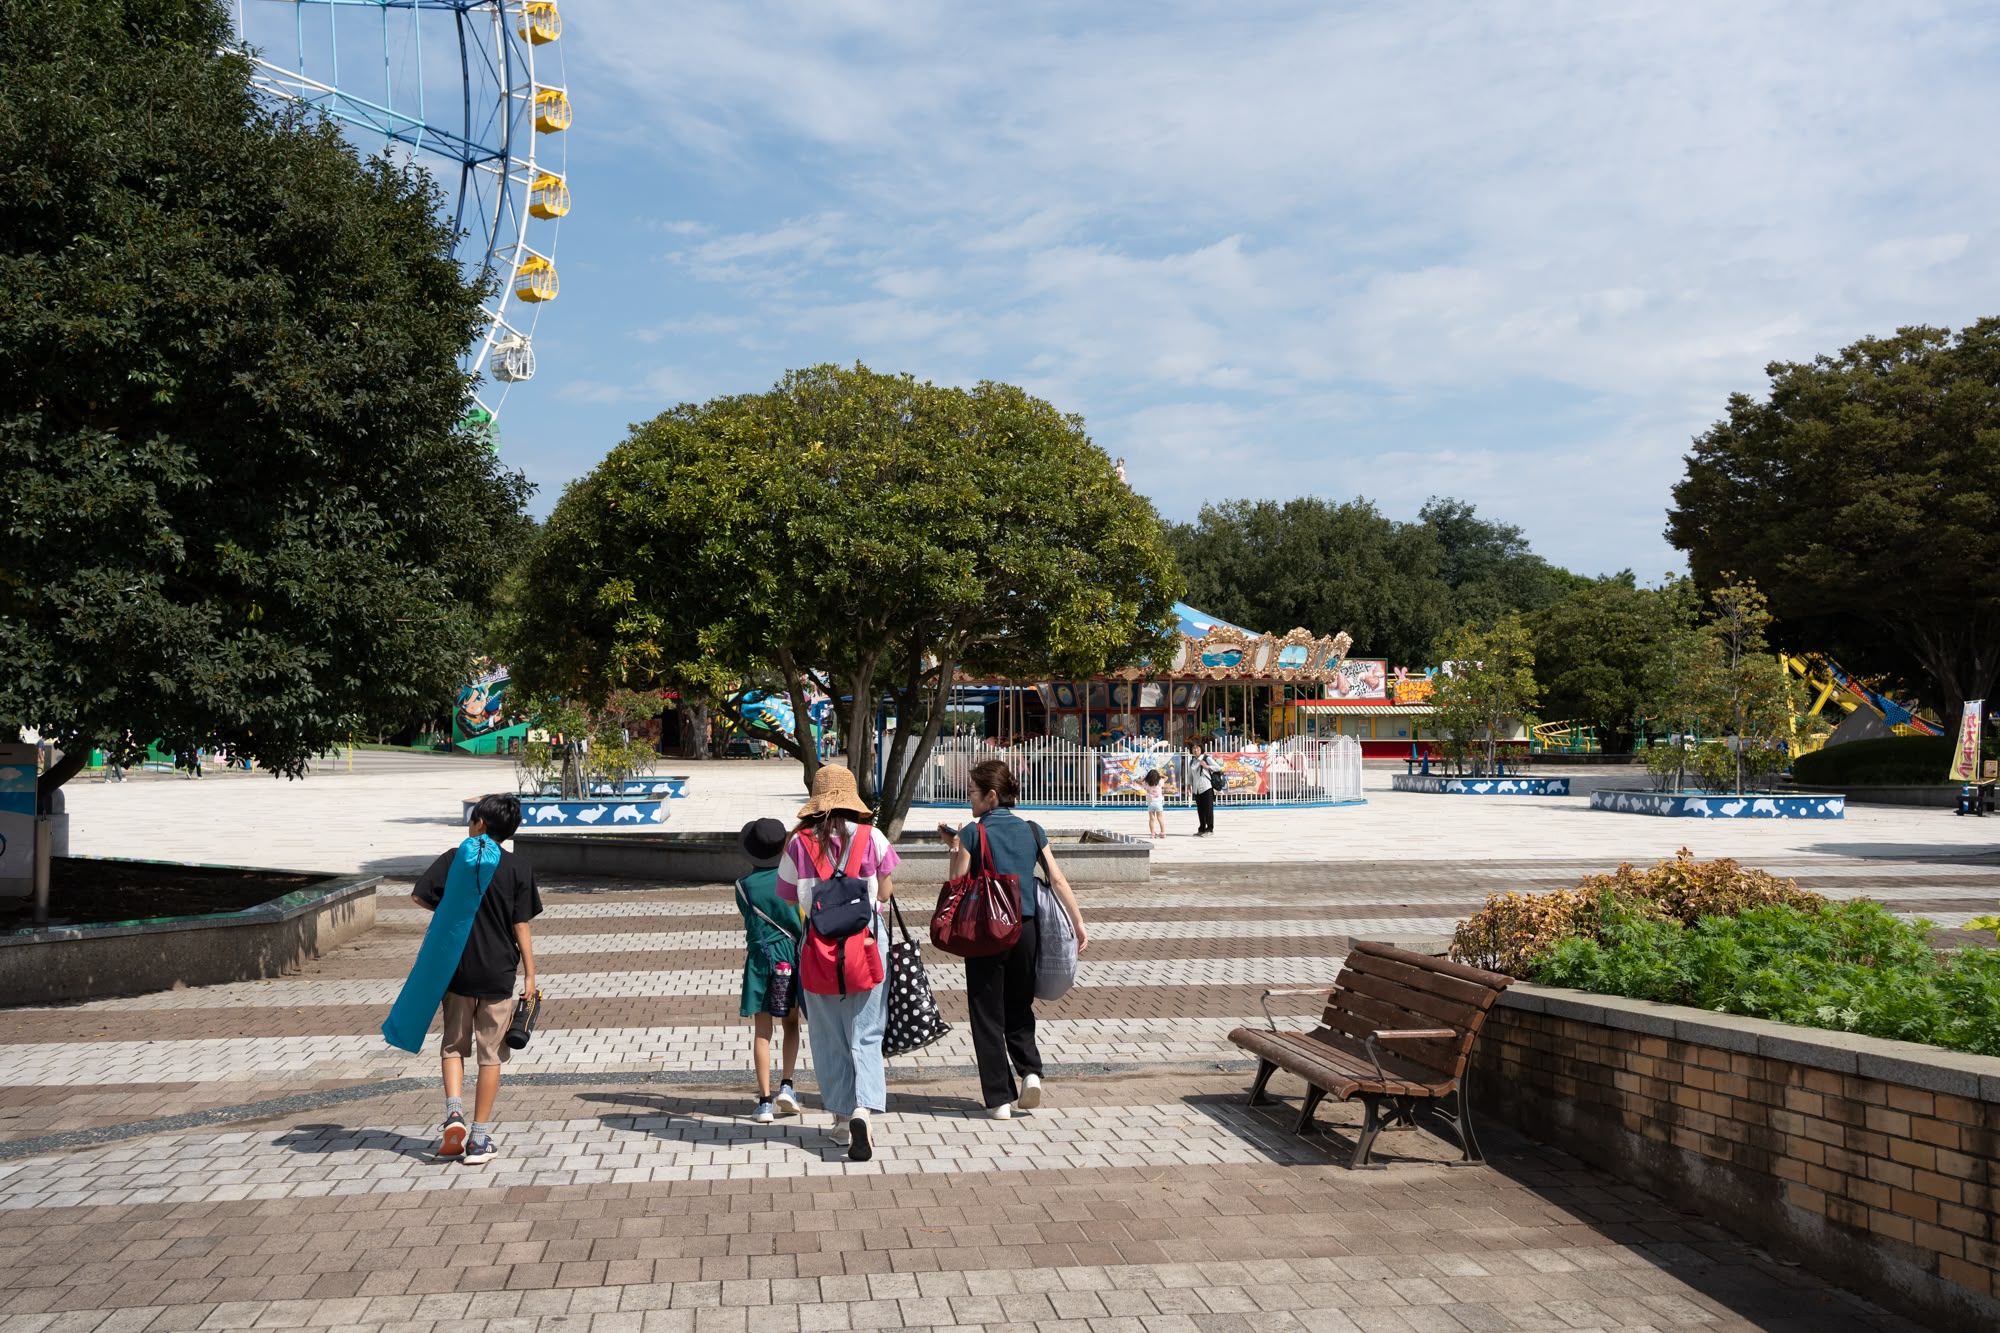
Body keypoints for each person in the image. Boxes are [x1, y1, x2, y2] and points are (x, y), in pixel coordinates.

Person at [938, 759, 1090, 1119]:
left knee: (986, 1012)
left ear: (991, 796)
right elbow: (1057, 878)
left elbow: (957, 883)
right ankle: (1031, 1072)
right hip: (1027, 929)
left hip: (988, 930)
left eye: (973, 793)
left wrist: (955, 848)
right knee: (1019, 1005)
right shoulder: (1033, 830)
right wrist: (1078, 922)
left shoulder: (975, 833)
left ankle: (998, 1100)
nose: (969, 800)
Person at [411, 793, 541, 1165]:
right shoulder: (519, 868)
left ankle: (454, 1115)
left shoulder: (455, 858)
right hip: (498, 973)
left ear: (480, 824)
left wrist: (454, 909)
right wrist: (530, 974)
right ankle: (479, 1139)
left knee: (453, 1046)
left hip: (457, 969)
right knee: (491, 1055)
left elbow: (419, 896)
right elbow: (521, 924)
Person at [777, 766, 897, 1161]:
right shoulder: (872, 837)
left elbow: (788, 897)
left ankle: (843, 1118)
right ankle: (864, 1109)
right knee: (865, 1032)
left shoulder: (797, 845)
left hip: (819, 949)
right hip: (866, 946)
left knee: (829, 1037)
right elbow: (886, 888)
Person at [735, 817, 804, 1123]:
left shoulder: (742, 886)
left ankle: (764, 1103)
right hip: (791, 958)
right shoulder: (793, 881)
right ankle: (787, 1086)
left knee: (762, 1033)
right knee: (791, 1024)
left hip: (761, 961)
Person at [1190, 741, 1222, 837]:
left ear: (1201, 749)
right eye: (1194, 748)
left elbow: (1218, 768)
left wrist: (1207, 766)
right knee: (1200, 810)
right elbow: (1189, 774)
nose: (1195, 750)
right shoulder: (1192, 761)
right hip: (1197, 788)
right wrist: (1188, 785)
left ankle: (1210, 829)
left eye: (1197, 748)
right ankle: (1202, 828)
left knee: (1208, 809)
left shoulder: (1206, 758)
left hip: (1206, 787)